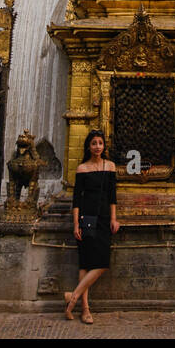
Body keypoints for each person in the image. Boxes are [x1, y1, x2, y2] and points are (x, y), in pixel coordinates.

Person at [65, 129, 119, 324]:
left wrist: (114, 218)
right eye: (94, 143)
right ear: (88, 146)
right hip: (86, 217)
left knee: (103, 263)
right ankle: (85, 309)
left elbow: (112, 196)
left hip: (104, 217)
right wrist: (75, 224)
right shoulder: (82, 169)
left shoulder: (110, 166)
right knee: (86, 262)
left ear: (104, 146)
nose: (97, 147)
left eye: (100, 143)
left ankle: (73, 297)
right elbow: (77, 199)